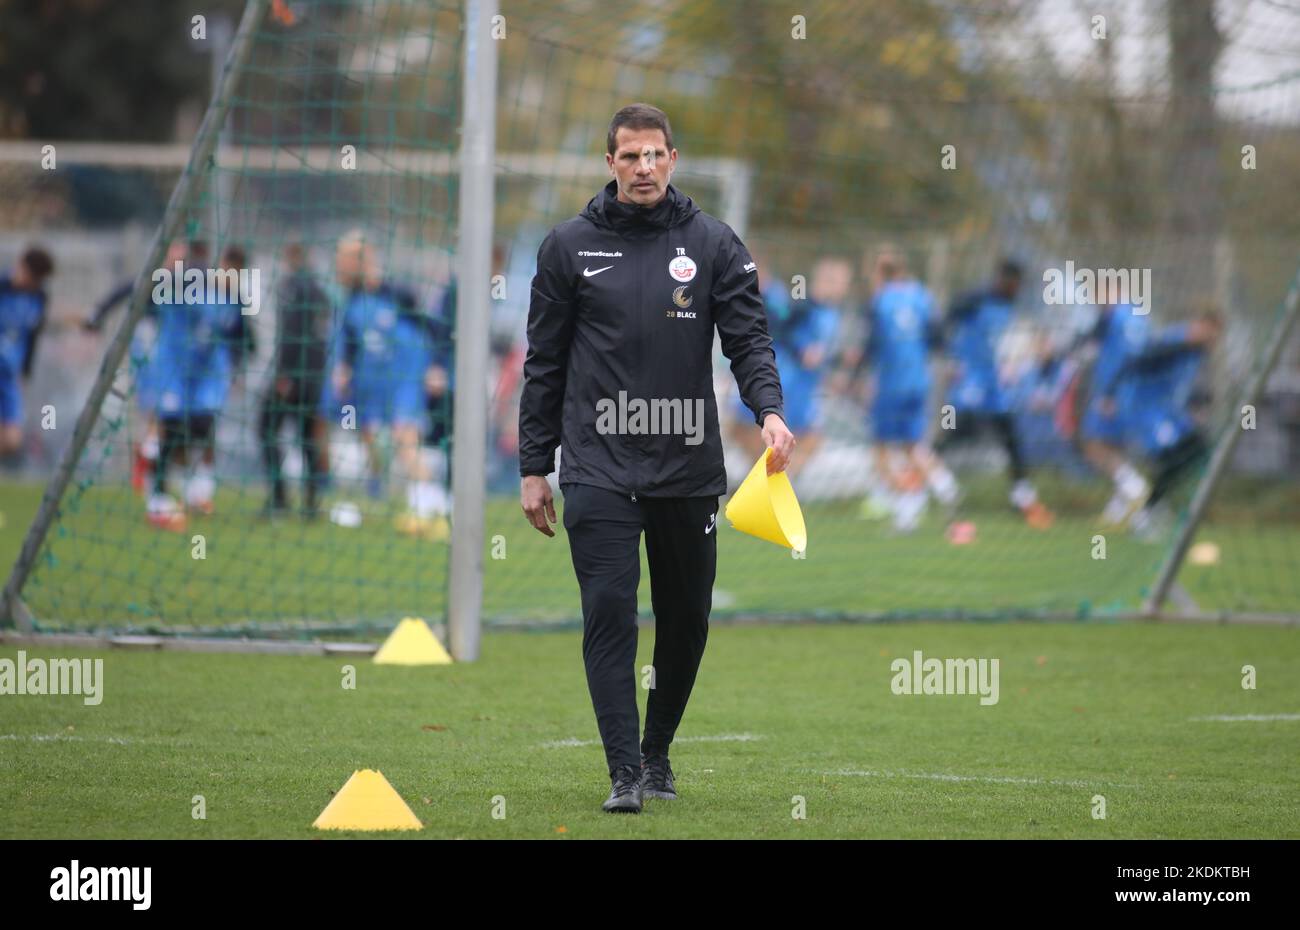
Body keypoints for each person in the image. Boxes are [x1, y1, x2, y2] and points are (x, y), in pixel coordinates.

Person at [518, 103, 793, 813]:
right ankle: (623, 774)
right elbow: (543, 365)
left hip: (687, 468)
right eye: (629, 156)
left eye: (655, 155)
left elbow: (749, 343)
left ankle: (657, 750)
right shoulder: (567, 247)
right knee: (609, 609)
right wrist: (532, 465)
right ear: (609, 164)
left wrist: (768, 412)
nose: (643, 168)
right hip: (597, 466)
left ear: (674, 159)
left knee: (686, 620)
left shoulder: (714, 244)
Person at [937, 259, 1054, 528]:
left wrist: (1013, 364)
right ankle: (917, 482)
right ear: (1001, 279)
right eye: (1011, 283)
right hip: (968, 379)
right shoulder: (973, 299)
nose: (1014, 288)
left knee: (1011, 437)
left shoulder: (1012, 306)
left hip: (995, 383)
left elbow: (1012, 341)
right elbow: (943, 324)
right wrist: (950, 359)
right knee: (955, 427)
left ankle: (1023, 499)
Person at [861, 248, 954, 532]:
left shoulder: (880, 301)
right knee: (912, 444)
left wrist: (856, 373)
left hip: (892, 384)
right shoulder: (922, 296)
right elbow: (938, 336)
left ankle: (904, 501)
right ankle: (944, 488)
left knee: (879, 448)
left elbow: (872, 345)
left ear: (880, 273)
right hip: (919, 381)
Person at [1123, 307, 1223, 536]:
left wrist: (1199, 406)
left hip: (1170, 413)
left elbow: (1187, 384)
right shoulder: (1174, 339)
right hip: (1145, 408)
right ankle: (1146, 513)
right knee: (1171, 455)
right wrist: (1186, 345)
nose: (1212, 342)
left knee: (1199, 449)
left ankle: (1153, 505)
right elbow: (1141, 360)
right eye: (1210, 334)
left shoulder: (1198, 353)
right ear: (1200, 326)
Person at [260, 242, 330, 518]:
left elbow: (290, 333)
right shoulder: (320, 291)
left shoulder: (290, 288)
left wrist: (283, 374)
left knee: (266, 430)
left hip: (292, 377)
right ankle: (311, 503)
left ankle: (279, 498)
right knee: (306, 438)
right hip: (315, 377)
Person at [1077, 290, 1151, 526]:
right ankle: (1125, 511)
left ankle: (1134, 486)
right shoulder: (1140, 316)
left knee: (1093, 446)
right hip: (1134, 391)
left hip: (1112, 390)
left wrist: (1109, 393)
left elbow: (1119, 355)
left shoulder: (1114, 317)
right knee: (1114, 447)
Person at [0, 246, 54, 461]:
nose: (34, 284)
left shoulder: (39, 298)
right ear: (21, 268)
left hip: (9, 375)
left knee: (12, 441)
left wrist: (25, 372)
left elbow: (32, 337)